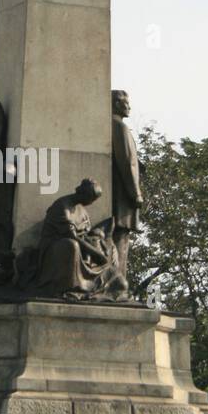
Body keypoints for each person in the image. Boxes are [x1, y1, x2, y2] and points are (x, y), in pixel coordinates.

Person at [35, 178, 127, 298]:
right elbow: (72, 236)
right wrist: (96, 254)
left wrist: (99, 246)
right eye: (91, 198)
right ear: (83, 193)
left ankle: (95, 285)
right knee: (72, 245)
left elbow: (86, 235)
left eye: (94, 199)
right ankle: (72, 287)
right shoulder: (62, 206)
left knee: (120, 282)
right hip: (56, 252)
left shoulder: (82, 210)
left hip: (83, 255)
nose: (92, 202)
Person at [111, 90, 142, 287]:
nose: (129, 107)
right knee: (121, 240)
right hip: (123, 195)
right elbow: (128, 162)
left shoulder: (110, 125)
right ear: (116, 104)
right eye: (126, 103)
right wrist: (136, 192)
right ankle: (118, 283)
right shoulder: (119, 127)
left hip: (118, 192)